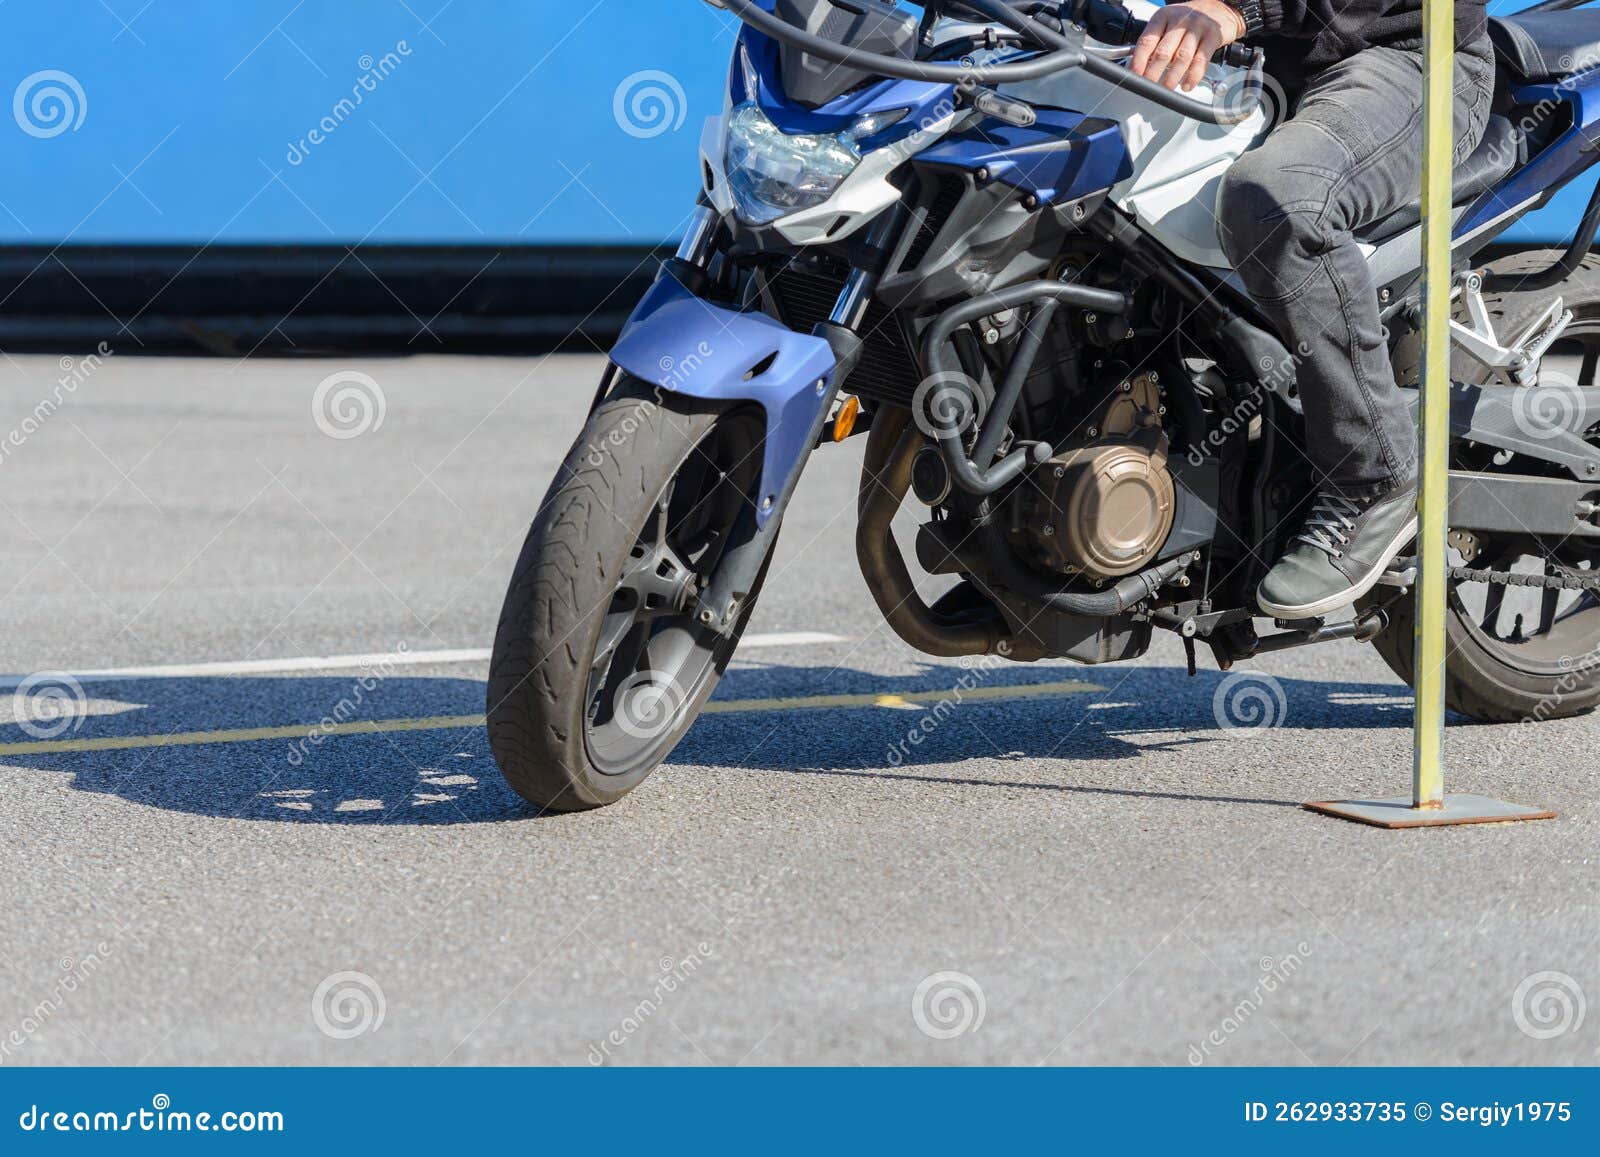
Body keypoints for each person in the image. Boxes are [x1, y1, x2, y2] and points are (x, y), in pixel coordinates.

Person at [1128, 0, 1494, 620]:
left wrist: (1238, 8)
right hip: (1246, 67)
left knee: (1278, 196)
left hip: (1404, 57)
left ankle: (1374, 472)